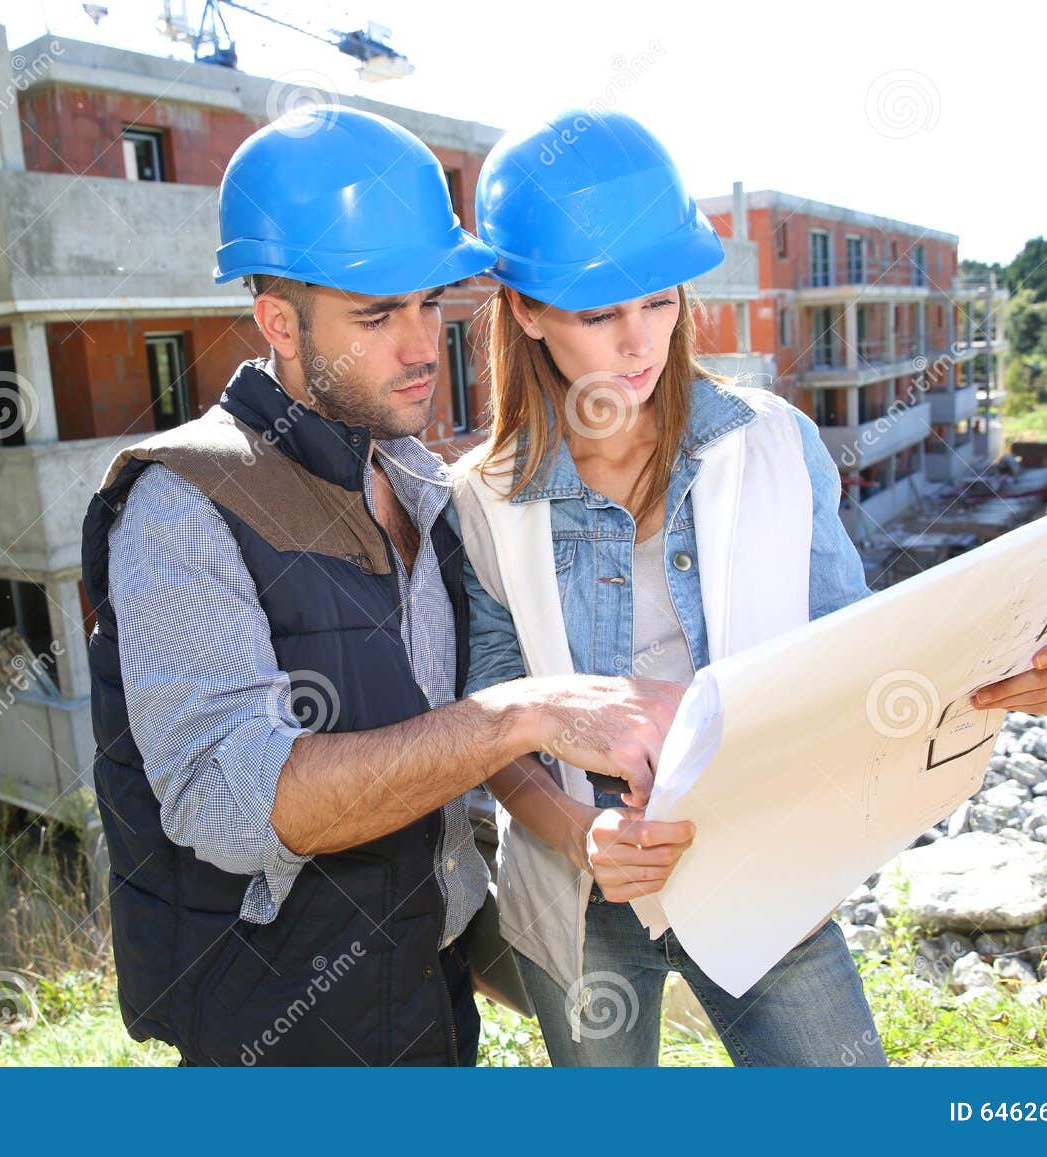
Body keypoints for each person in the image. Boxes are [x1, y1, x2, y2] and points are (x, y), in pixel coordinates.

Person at [449, 108, 1047, 1067]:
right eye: (599, 314)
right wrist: (582, 832)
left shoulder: (775, 444)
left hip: (762, 870)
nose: (640, 343)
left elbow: (856, 660)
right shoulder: (481, 500)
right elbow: (499, 730)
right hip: (579, 888)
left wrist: (1014, 666)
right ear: (526, 309)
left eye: (660, 301)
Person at [81, 104, 685, 1067]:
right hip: (278, 1037)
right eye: (374, 314)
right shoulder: (184, 502)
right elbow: (234, 804)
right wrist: (518, 713)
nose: (417, 345)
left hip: (428, 1002)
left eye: (428, 304)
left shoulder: (422, 486)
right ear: (278, 321)